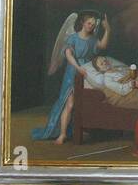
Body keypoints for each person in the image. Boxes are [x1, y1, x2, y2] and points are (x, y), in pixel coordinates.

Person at [32, 11, 109, 144]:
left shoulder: (93, 39)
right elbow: (68, 55)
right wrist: (78, 68)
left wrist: (108, 29)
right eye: (88, 23)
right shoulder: (73, 38)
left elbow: (102, 45)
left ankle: (79, 129)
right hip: (73, 71)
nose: (91, 26)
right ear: (83, 23)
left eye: (93, 24)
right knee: (70, 103)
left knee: (86, 102)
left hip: (88, 72)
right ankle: (62, 134)